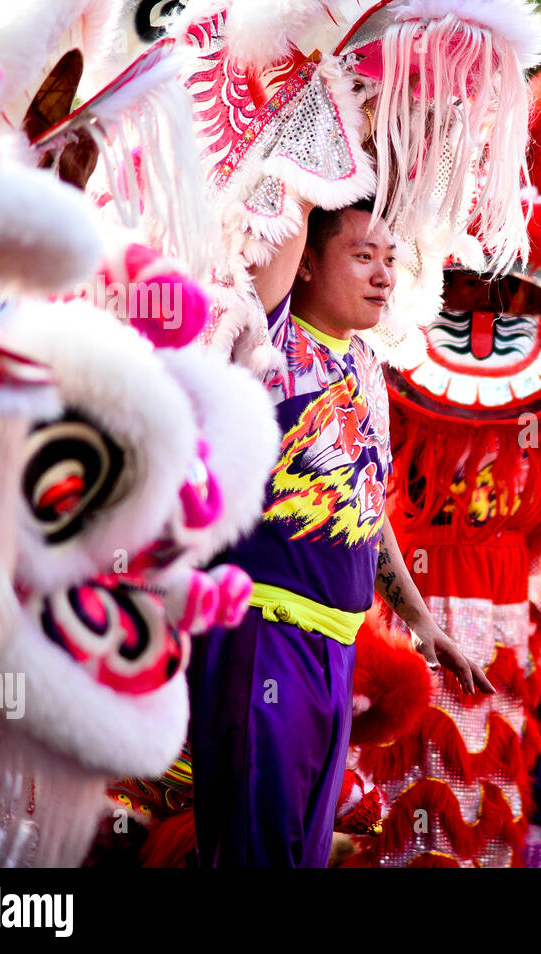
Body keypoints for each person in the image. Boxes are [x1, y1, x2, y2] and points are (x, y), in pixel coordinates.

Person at [188, 199, 493, 868]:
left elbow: (365, 500)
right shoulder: (267, 342)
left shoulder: (364, 366)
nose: (385, 275)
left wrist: (418, 617)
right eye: (362, 256)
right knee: (253, 849)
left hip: (336, 645)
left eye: (390, 259)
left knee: (305, 851)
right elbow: (290, 210)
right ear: (303, 268)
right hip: (262, 636)